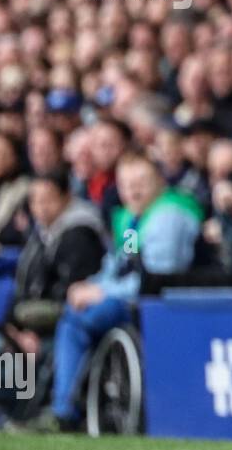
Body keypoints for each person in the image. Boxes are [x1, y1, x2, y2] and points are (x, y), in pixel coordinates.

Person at [44, 152, 201, 430]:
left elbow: (156, 278)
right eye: (126, 184)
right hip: (129, 298)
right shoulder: (132, 220)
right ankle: (65, 403)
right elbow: (122, 266)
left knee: (80, 319)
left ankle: (64, 408)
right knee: (76, 310)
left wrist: (103, 294)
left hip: (156, 305)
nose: (133, 190)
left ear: (159, 181)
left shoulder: (168, 216)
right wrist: (93, 286)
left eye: (141, 182)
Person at [11, 169, 107, 338]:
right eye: (35, 201)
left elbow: (69, 290)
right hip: (30, 328)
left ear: (66, 197)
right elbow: (25, 281)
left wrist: (33, 332)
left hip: (70, 319)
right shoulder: (40, 233)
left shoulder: (80, 233)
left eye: (48, 200)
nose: (41, 207)